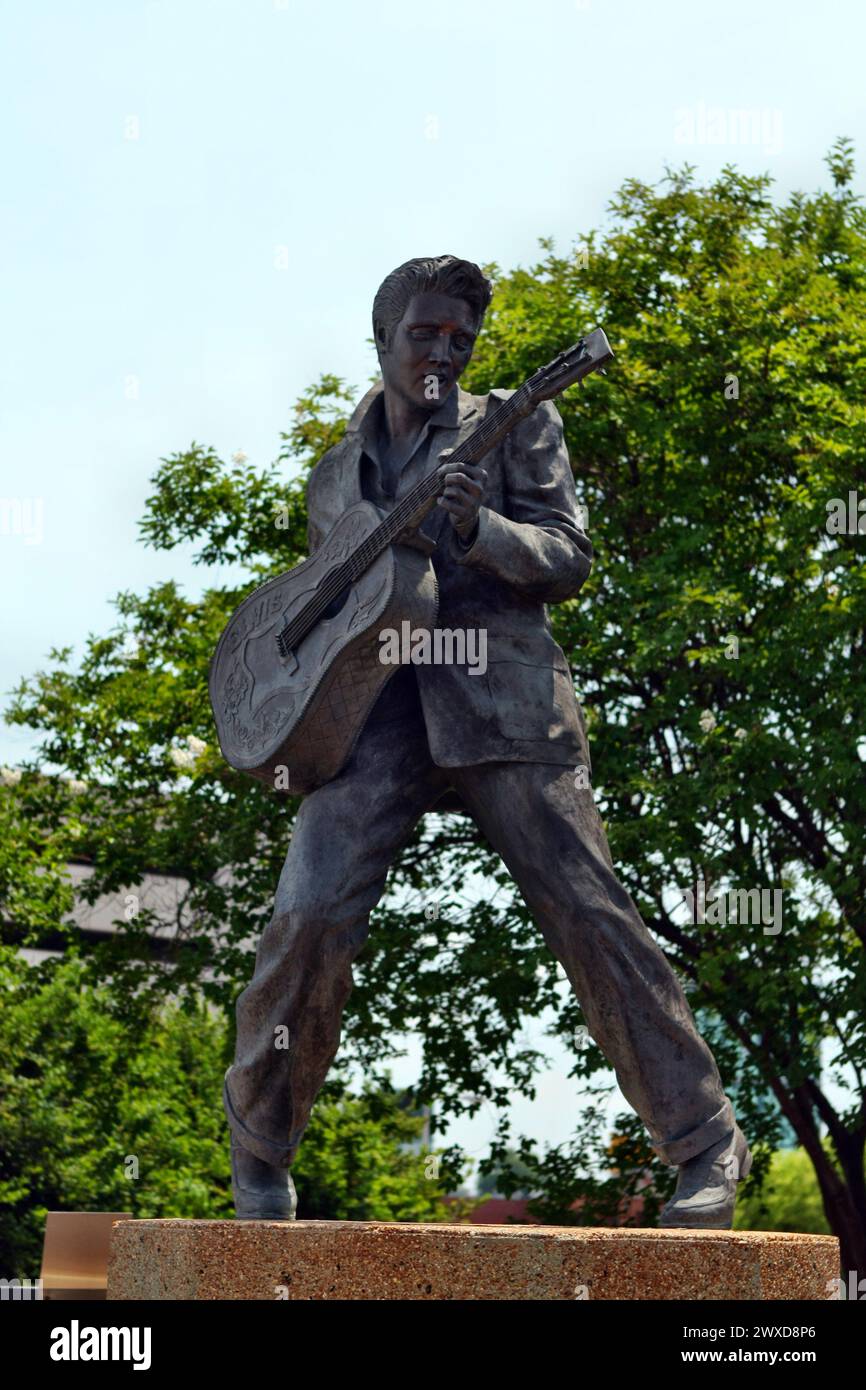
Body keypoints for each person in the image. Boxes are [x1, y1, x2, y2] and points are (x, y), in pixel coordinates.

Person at [224, 254, 751, 1227]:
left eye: (459, 340)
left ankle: (705, 1145)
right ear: (381, 337)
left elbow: (567, 553)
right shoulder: (333, 474)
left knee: (589, 916)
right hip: (370, 712)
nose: (442, 351)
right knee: (303, 916)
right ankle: (257, 1153)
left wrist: (483, 531)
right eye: (423, 332)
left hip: (502, 706)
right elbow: (327, 600)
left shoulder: (516, 419)